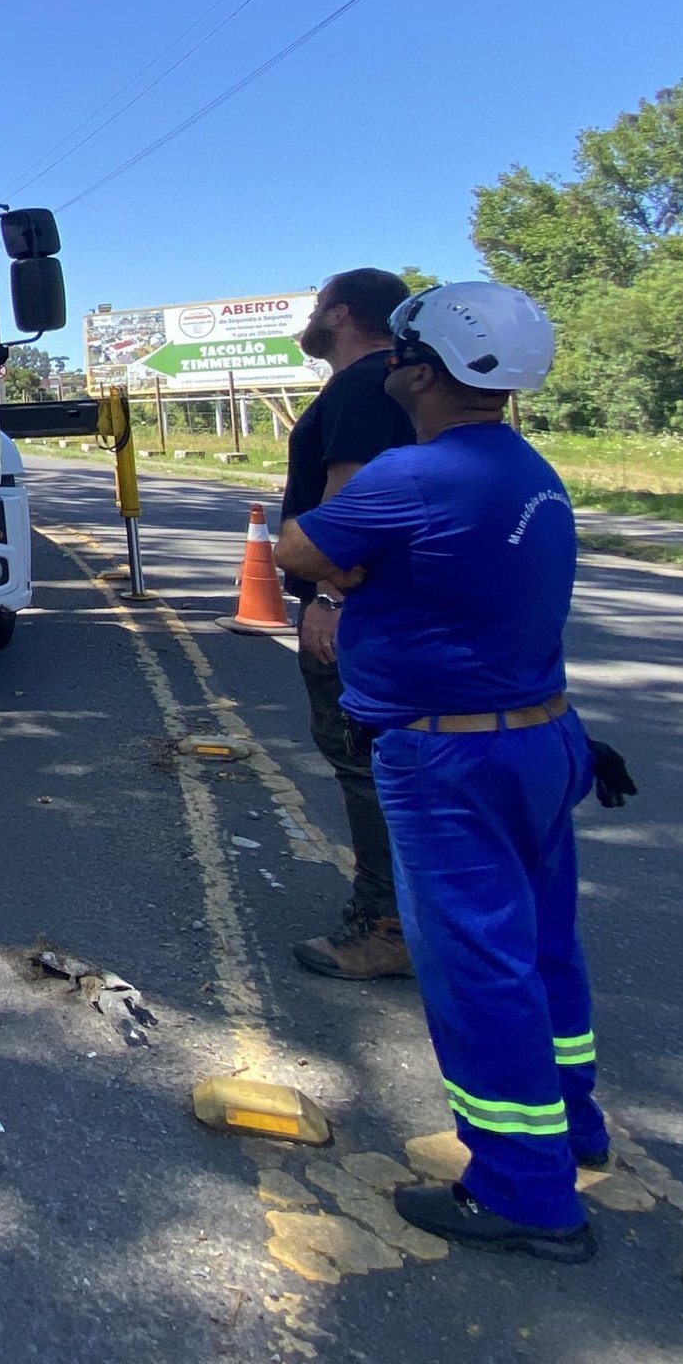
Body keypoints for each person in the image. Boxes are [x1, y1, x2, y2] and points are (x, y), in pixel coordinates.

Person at [272, 283, 605, 1262]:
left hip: (446, 751)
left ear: (421, 369)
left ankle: (523, 1191)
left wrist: (354, 576)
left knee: (475, 968)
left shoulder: (411, 477)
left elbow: (301, 548)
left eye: (397, 358)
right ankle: (573, 1127)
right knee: (545, 947)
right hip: (542, 737)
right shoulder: (531, 471)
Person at [276, 268, 420, 981]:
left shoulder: (363, 385)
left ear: (339, 314)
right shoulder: (399, 382)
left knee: (365, 768)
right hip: (396, 606)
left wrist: (327, 598)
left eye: (315, 305)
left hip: (358, 612)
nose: (310, 316)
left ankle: (386, 925)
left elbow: (347, 511)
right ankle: (424, 916)